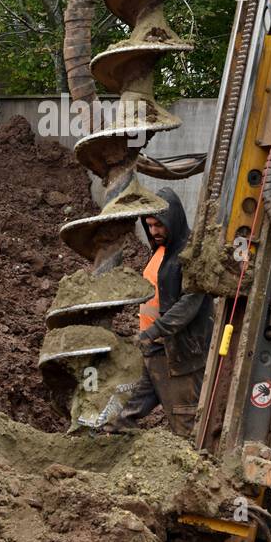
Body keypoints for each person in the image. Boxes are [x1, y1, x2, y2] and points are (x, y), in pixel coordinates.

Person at [110, 187, 212, 437]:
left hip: (179, 357)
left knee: (186, 429)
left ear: (173, 220)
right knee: (121, 416)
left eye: (159, 225)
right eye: (150, 225)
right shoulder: (161, 250)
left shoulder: (189, 255)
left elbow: (189, 304)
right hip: (153, 351)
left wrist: (154, 331)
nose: (153, 231)